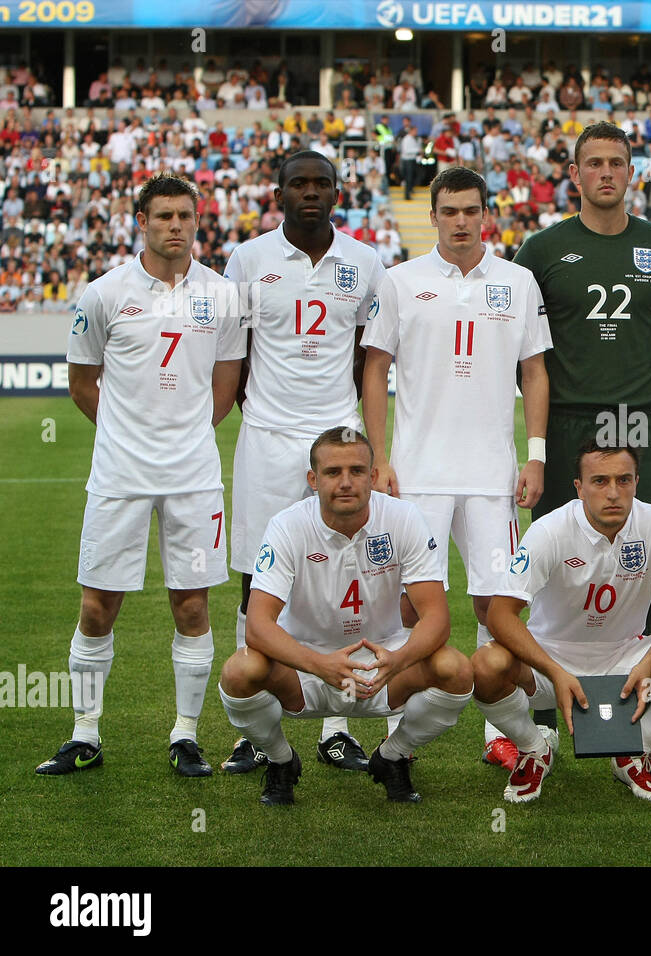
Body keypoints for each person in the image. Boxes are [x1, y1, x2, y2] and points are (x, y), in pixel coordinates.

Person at [38, 173, 245, 776]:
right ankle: (84, 733)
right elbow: (82, 384)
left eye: (185, 215)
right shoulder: (103, 294)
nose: (175, 226)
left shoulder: (223, 296)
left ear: (197, 219)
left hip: (194, 475)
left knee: (191, 606)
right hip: (119, 474)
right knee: (99, 605)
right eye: (163, 217)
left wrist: (179, 436)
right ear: (142, 222)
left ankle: (185, 733)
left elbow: (225, 388)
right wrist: (130, 436)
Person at [511, 121, 651, 765]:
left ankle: (641, 704)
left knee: (646, 551)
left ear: (632, 174)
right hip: (566, 421)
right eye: (594, 163)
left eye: (618, 162)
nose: (607, 173)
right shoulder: (541, 248)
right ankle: (544, 700)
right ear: (575, 174)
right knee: (557, 553)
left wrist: (642, 397)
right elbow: (525, 346)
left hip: (639, 419)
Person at [362, 166, 551, 771]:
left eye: (472, 210)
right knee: (413, 602)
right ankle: (400, 723)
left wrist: (537, 454)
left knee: (497, 602)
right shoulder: (400, 281)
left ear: (485, 214)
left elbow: (535, 373)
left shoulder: (518, 281)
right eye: (450, 212)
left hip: (492, 474)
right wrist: (379, 457)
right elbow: (374, 368)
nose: (462, 221)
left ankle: (497, 732)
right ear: (434, 217)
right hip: (417, 473)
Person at [220, 150, 386, 775]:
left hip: (336, 439)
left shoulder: (365, 262)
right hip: (266, 440)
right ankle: (255, 719)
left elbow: (368, 358)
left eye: (321, 183)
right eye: (299, 184)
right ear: (279, 192)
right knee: (253, 576)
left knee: (344, 571)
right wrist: (262, 415)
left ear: (337, 192)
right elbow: (235, 357)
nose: (310, 193)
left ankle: (336, 723)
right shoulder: (248, 259)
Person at [217, 428, 473, 805]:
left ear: (372, 477)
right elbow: (257, 625)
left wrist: (398, 658)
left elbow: (436, 618)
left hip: (381, 662)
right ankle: (280, 759)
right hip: (304, 666)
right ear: (313, 480)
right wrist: (319, 664)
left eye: (356, 471)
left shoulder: (403, 519)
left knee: (457, 669)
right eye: (333, 472)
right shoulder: (287, 525)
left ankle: (392, 756)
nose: (346, 482)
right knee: (239, 671)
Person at [471, 439, 651, 803]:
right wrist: (554, 672)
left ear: (637, 482)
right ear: (579, 487)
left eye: (624, 481)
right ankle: (533, 750)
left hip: (626, 659)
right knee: (485, 665)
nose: (613, 493)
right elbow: (499, 613)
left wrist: (649, 661)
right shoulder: (550, 531)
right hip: (550, 660)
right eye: (600, 481)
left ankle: (633, 751)